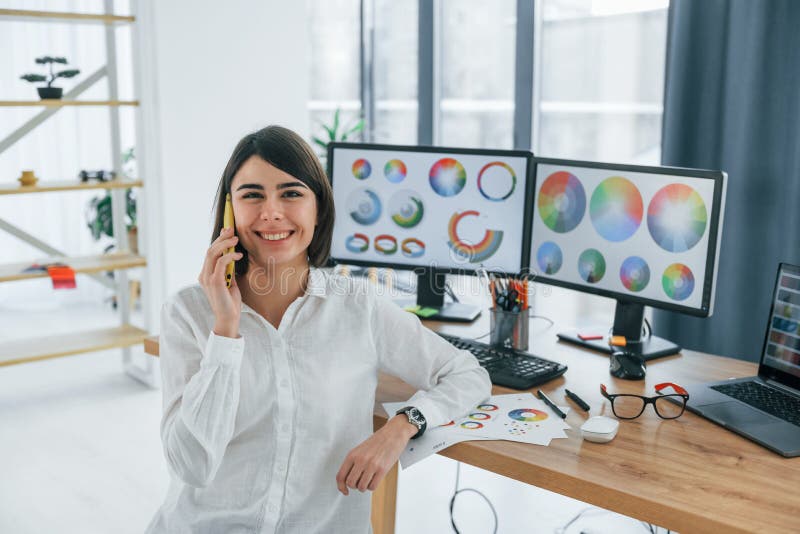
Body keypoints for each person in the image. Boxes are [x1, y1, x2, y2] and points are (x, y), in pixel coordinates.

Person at [146, 125, 491, 533]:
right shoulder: (187, 314)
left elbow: (468, 374)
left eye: (291, 193)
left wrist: (402, 426)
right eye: (252, 195)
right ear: (229, 212)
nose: (271, 212)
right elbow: (192, 465)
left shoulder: (358, 308)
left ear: (319, 208)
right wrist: (225, 330)